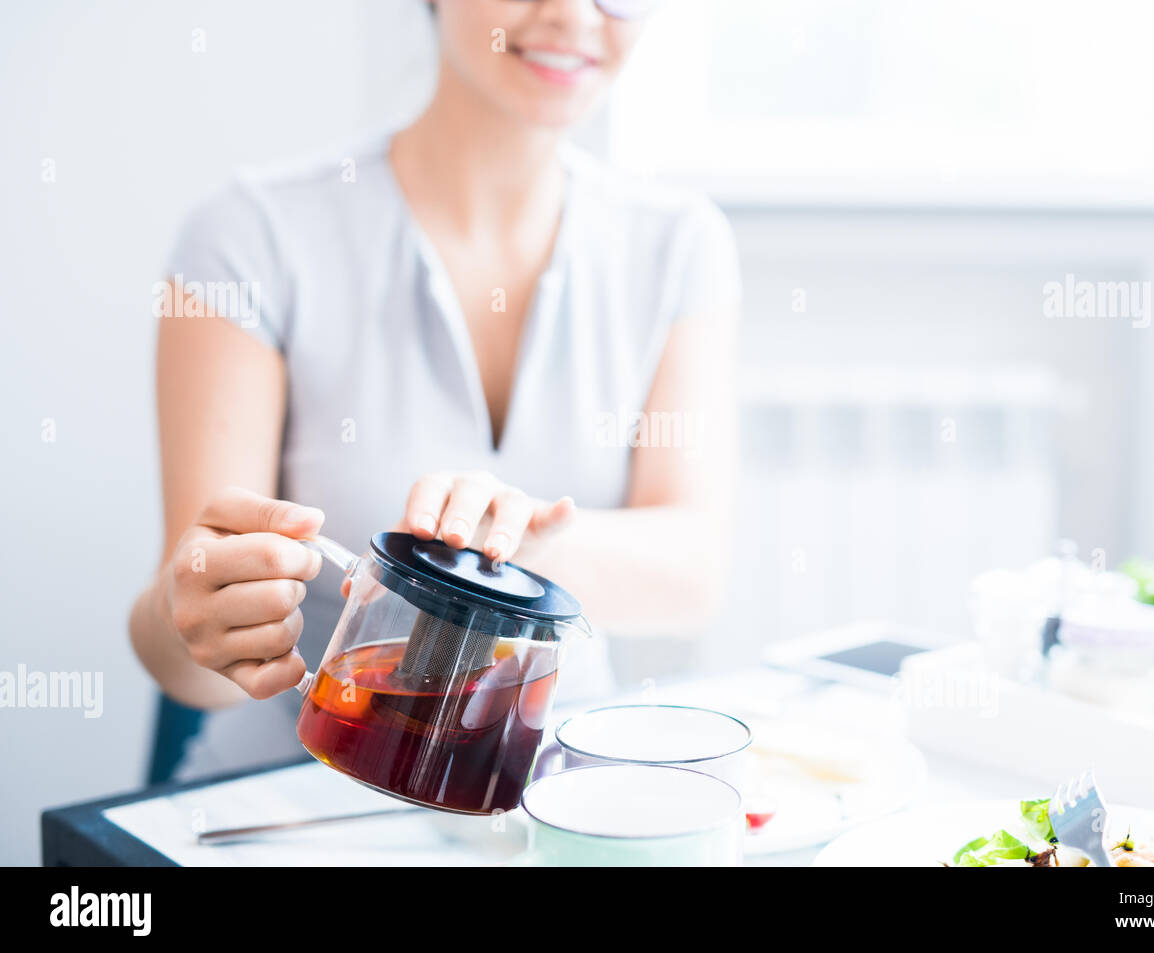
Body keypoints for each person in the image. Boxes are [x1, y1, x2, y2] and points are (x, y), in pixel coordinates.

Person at [128, 0, 741, 778]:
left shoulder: (678, 244)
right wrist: (190, 622)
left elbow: (693, 574)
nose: (573, 14)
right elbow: (182, 649)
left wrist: (515, 551)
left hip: (549, 800)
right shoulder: (250, 236)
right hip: (284, 802)